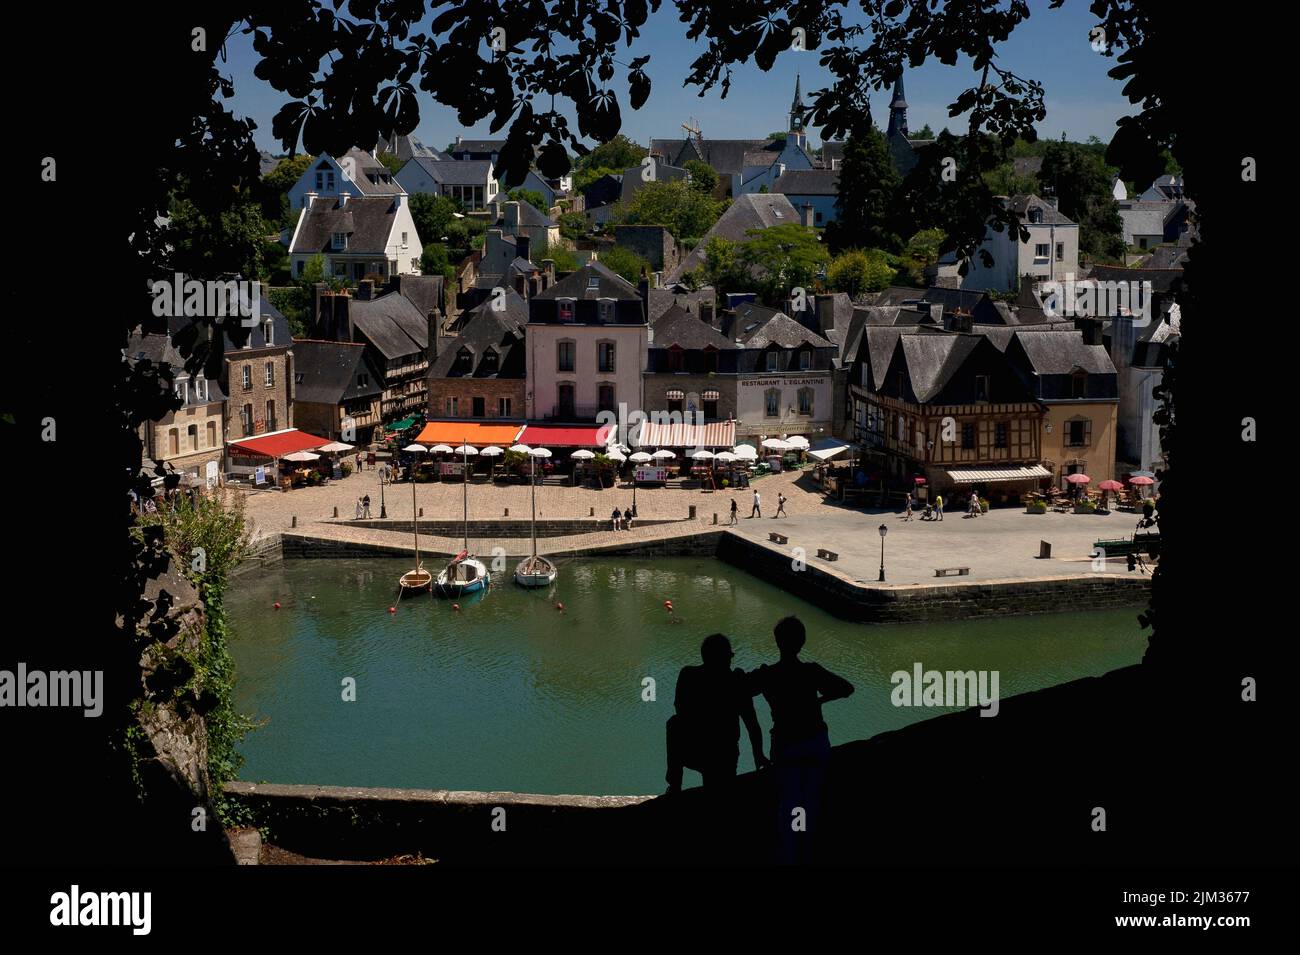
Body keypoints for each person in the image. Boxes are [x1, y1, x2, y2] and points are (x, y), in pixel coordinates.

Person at [746, 616, 854, 865]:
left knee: (790, 803)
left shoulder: (769, 675)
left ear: (777, 642)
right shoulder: (810, 671)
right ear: (802, 642)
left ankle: (791, 854)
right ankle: (807, 851)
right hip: (815, 742)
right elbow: (846, 688)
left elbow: (740, 688)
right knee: (812, 800)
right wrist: (819, 701)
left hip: (787, 745)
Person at [665, 633, 768, 794]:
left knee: (673, 724)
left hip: (694, 749)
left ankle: (675, 784)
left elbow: (680, 709)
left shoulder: (688, 675)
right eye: (729, 657)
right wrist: (759, 755)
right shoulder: (736, 683)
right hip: (724, 755)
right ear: (726, 658)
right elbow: (752, 724)